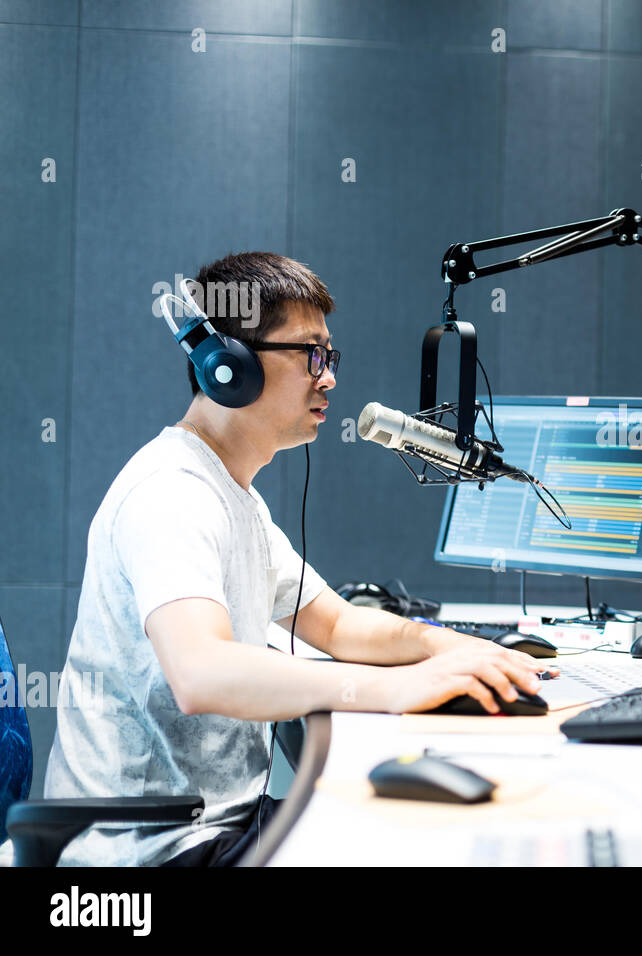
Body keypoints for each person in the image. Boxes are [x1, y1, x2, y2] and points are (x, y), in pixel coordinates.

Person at [44, 252, 554, 866]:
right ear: (227, 366)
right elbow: (201, 673)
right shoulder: (170, 493)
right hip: (143, 852)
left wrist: (449, 649)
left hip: (217, 825)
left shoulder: (236, 498)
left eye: (330, 356)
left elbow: (338, 624)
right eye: (311, 354)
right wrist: (400, 688)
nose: (329, 378)